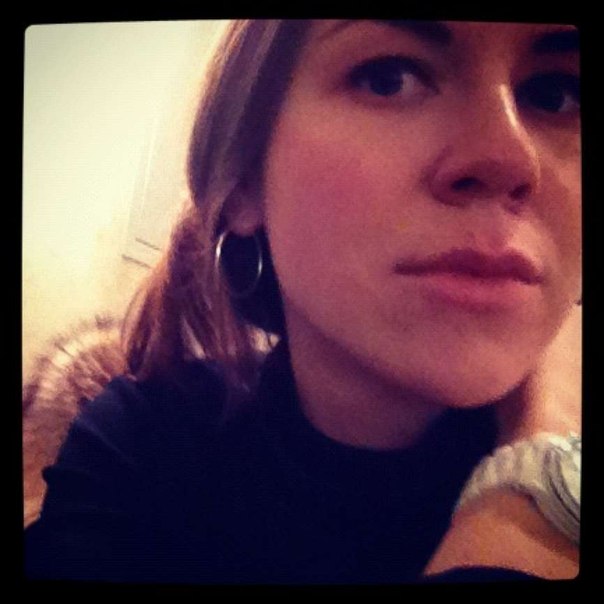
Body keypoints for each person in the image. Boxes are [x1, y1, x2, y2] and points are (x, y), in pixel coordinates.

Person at [24, 19, 582, 584]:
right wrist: (543, 467)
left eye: (557, 93)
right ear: (245, 183)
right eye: (388, 78)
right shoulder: (140, 446)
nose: (508, 157)